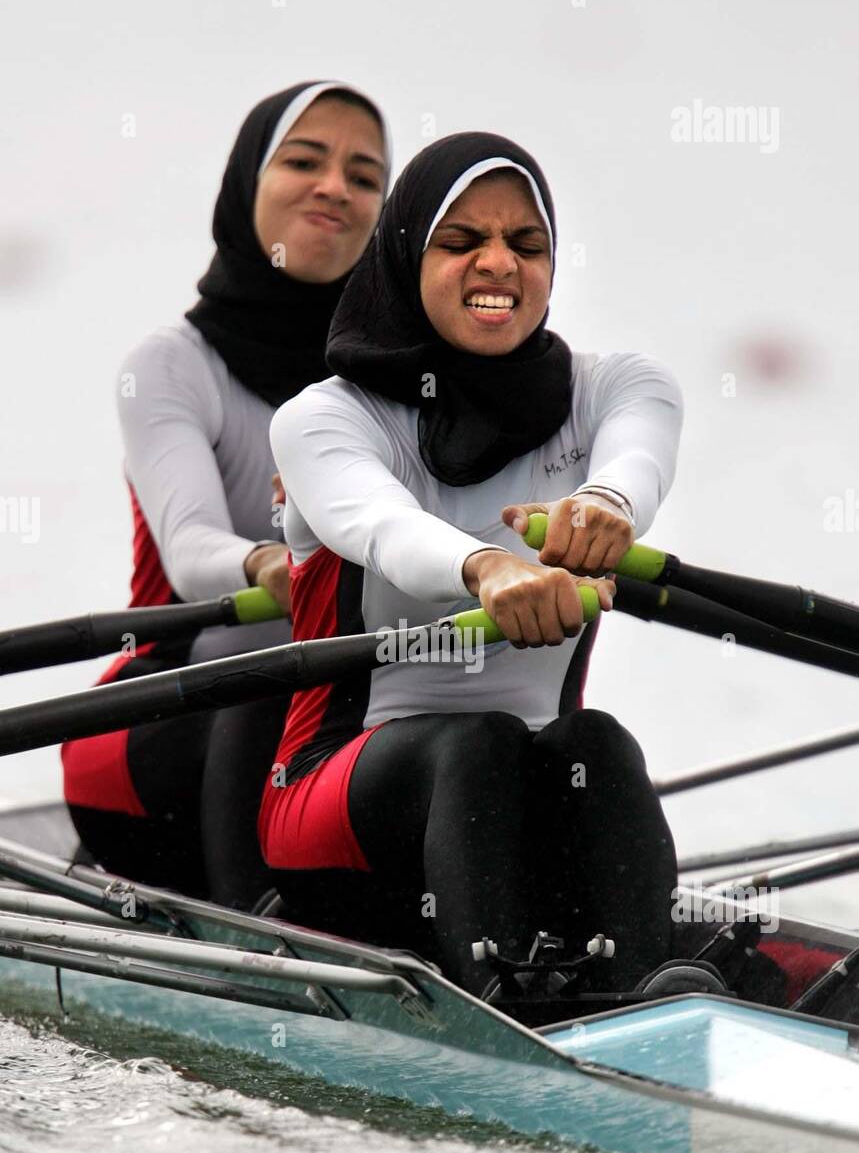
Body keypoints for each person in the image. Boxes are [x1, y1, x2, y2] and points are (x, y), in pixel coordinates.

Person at [258, 131, 683, 999]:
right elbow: (382, 529)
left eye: (526, 245)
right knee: (477, 743)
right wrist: (490, 567)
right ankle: (496, 992)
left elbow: (638, 456)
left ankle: (645, 986)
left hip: (520, 802)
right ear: (410, 251)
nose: (499, 264)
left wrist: (604, 509)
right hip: (333, 808)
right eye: (461, 243)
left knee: (594, 742)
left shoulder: (614, 386)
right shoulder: (323, 419)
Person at [61, 81, 390, 903]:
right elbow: (192, 547)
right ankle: (258, 920)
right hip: (159, 727)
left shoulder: (394, 383)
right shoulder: (170, 365)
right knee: (267, 691)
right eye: (304, 160)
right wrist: (270, 564)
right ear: (248, 182)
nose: (333, 188)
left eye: (363, 175)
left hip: (337, 713)